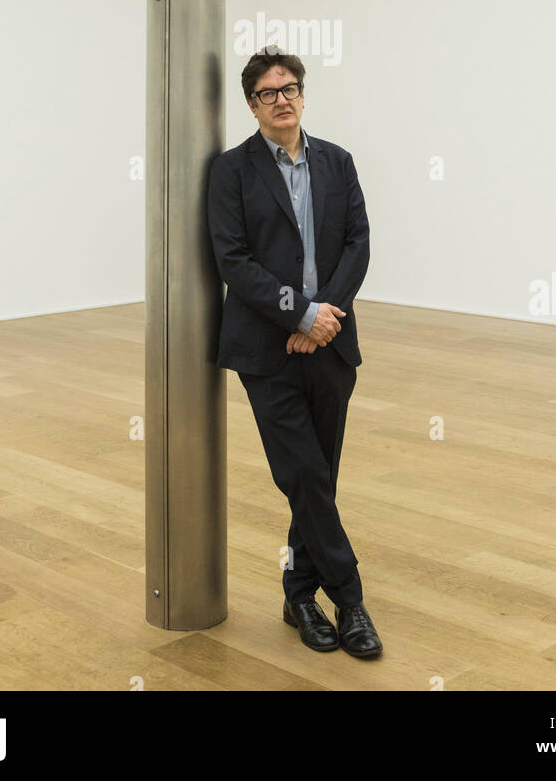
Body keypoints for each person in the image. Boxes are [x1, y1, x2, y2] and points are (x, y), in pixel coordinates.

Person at [207, 49, 382, 659]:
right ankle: (350, 600)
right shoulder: (231, 171)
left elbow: (358, 244)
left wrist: (323, 316)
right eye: (267, 92)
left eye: (290, 88)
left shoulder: (338, 161)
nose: (281, 99)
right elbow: (233, 261)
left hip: (330, 344)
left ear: (302, 95)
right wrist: (300, 313)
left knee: (319, 479)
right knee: (302, 474)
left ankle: (298, 595)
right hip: (267, 348)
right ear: (251, 105)